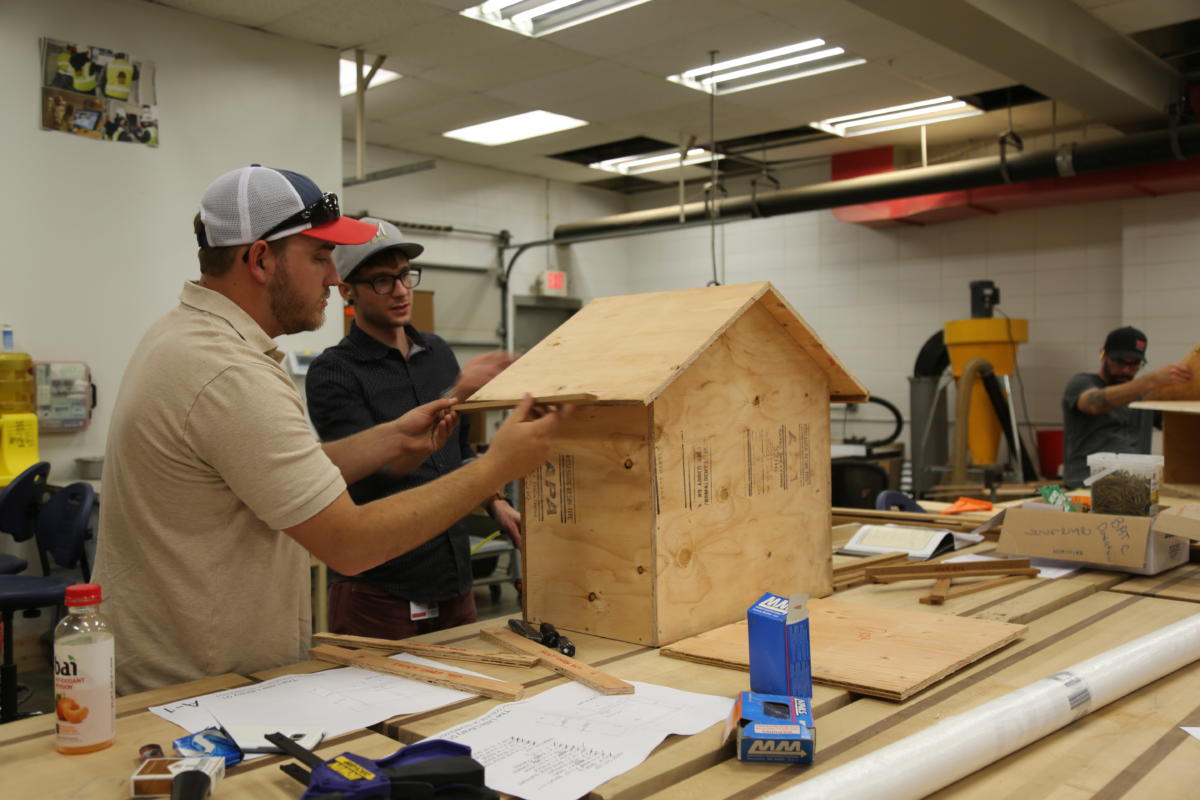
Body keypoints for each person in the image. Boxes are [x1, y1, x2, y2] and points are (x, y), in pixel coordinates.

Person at [93, 166, 566, 694]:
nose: (332, 278)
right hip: (198, 687)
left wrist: (391, 437)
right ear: (260, 259)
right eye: (319, 257)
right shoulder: (229, 372)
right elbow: (349, 544)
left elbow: (272, 475)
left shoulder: (185, 337)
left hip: (193, 672)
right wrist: (496, 467)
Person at [306, 218, 519, 640]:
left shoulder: (437, 352)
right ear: (347, 291)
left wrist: (495, 502)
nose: (402, 290)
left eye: (405, 275)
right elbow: (370, 475)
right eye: (383, 281)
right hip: (380, 589)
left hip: (454, 581)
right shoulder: (334, 371)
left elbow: (457, 453)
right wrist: (459, 393)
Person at [1060, 326, 1192, 488]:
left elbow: (1178, 426)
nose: (1126, 370)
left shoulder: (1144, 397)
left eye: (1134, 364)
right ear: (1104, 355)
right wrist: (1151, 381)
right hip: (1086, 487)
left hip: (1133, 489)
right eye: (1120, 362)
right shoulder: (1081, 383)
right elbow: (1095, 403)